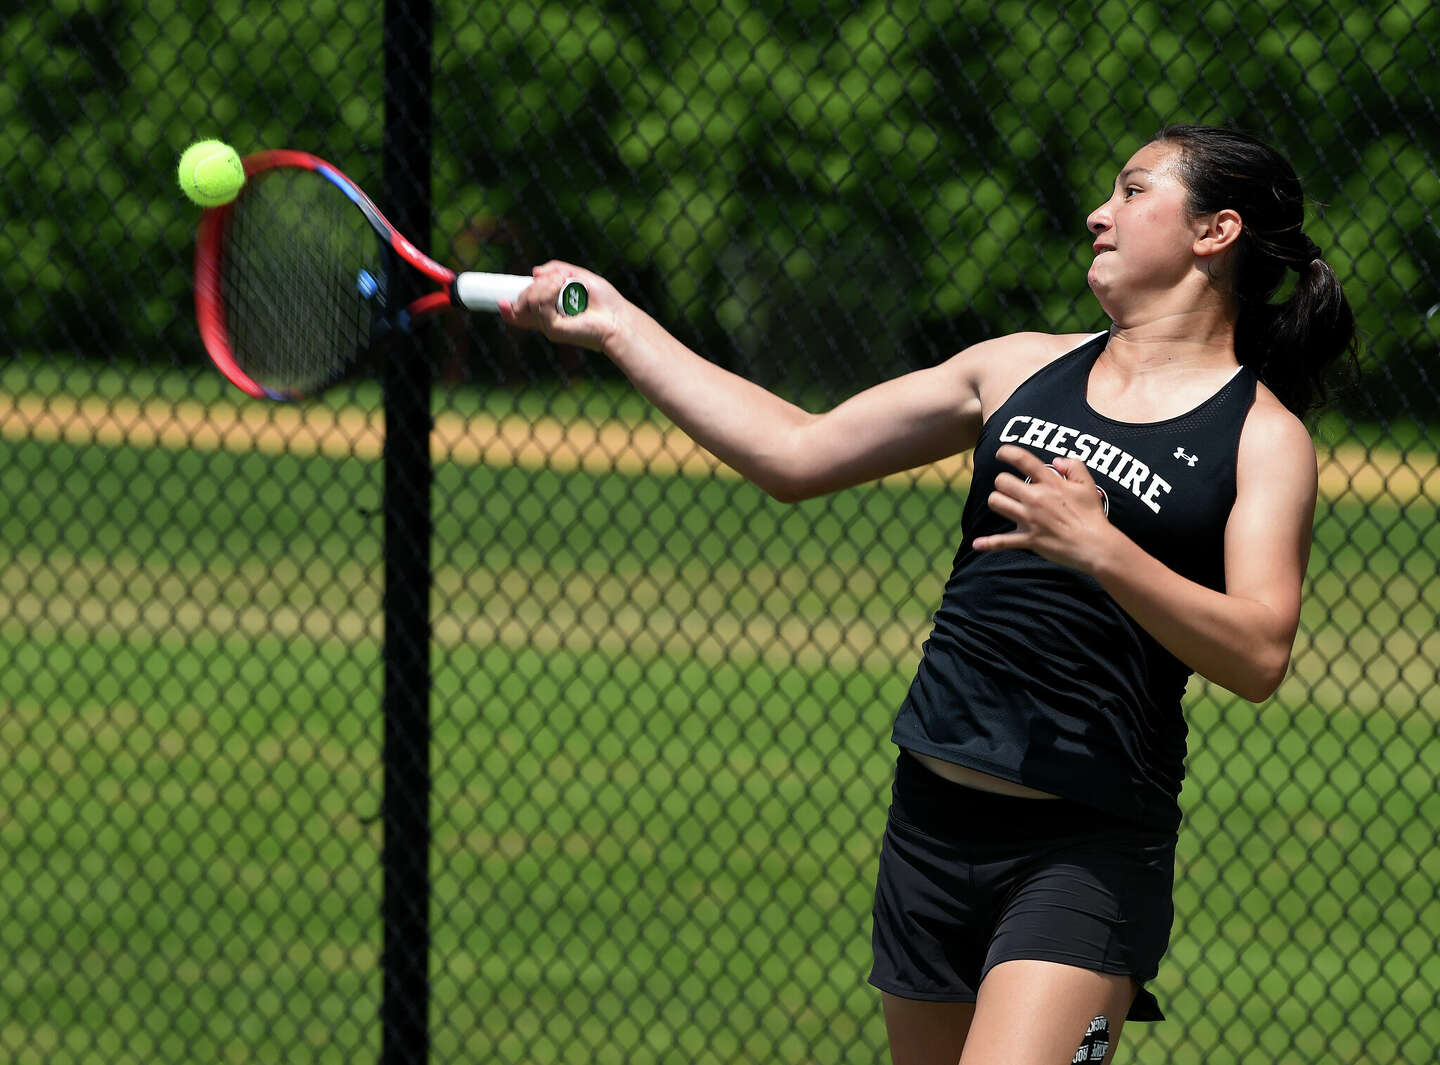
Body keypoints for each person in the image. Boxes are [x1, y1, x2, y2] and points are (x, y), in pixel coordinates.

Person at [500, 124, 1358, 1065]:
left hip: (1084, 844)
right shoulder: (1018, 366)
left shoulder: (1262, 436)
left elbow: (1260, 652)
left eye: (1133, 190)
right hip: (931, 822)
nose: (1097, 212)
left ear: (1214, 231)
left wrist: (1103, 550)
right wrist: (618, 321)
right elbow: (795, 453)